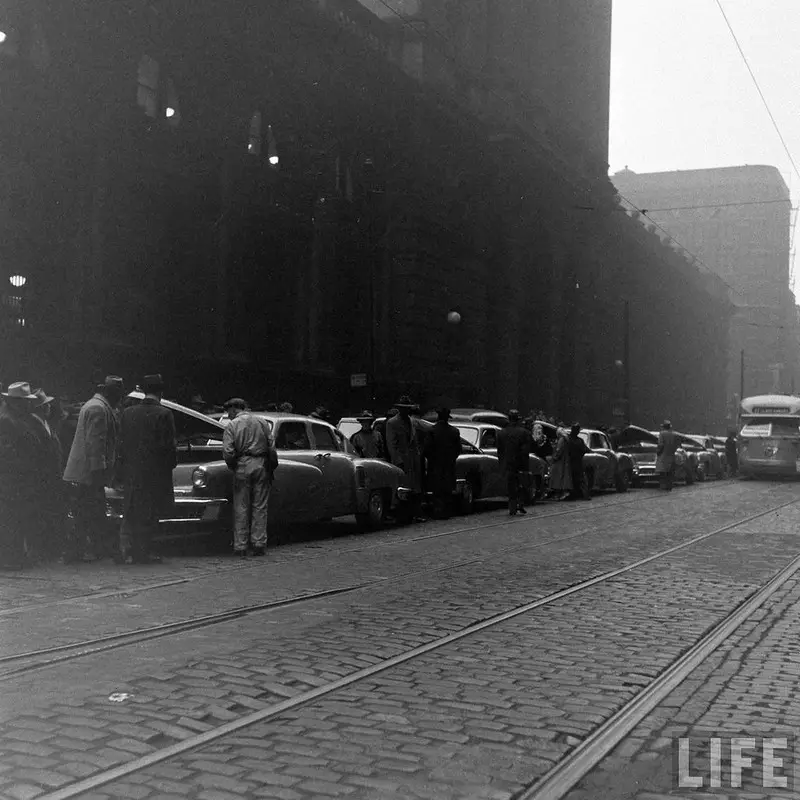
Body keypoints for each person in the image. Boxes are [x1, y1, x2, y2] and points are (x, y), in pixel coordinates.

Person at [63, 375, 124, 561]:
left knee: (87, 511)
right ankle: (86, 550)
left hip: (84, 472)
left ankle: (85, 550)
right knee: (89, 511)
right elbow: (96, 444)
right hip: (89, 473)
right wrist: (99, 472)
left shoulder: (95, 405)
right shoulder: (98, 408)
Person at [117, 374, 177, 563]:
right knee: (150, 512)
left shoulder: (128, 413)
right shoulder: (164, 414)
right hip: (154, 473)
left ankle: (133, 550)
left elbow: (122, 444)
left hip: (132, 471)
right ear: (160, 392)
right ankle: (145, 551)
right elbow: (168, 447)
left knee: (132, 511)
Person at [0, 382, 51, 568]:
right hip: (13, 480)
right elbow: (7, 454)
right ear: (15, 402)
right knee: (11, 519)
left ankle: (16, 555)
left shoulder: (19, 419)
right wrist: (27, 467)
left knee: (18, 518)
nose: (28, 405)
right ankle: (10, 558)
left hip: (21, 479)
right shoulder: (7, 420)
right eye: (24, 401)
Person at [222, 397, 278, 557]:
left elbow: (228, 451)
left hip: (242, 464)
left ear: (234, 409)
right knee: (260, 506)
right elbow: (271, 447)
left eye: (229, 412)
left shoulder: (232, 425)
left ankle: (240, 545)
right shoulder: (261, 422)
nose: (229, 416)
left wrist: (233, 465)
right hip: (261, 463)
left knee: (241, 506)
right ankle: (259, 543)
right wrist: (272, 465)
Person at [32, 388, 67, 560]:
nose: (50, 407)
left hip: (52, 476)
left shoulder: (45, 423)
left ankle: (48, 549)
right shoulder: (35, 424)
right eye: (46, 405)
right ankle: (43, 550)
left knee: (50, 512)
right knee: (44, 513)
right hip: (45, 477)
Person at [386, 395, 426, 522]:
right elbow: (391, 444)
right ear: (399, 409)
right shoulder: (392, 423)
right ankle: (402, 515)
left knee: (414, 488)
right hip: (402, 461)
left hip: (413, 460)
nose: (406, 410)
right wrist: (398, 461)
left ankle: (414, 513)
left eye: (408, 408)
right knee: (402, 488)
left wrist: (418, 456)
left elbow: (415, 440)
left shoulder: (411, 421)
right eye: (403, 408)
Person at [423, 407, 461, 518]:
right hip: (449, 466)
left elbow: (426, 449)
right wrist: (451, 458)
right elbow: (458, 449)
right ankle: (446, 511)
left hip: (435, 465)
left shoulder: (431, 431)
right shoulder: (454, 431)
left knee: (437, 490)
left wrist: (432, 459)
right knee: (447, 489)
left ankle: (438, 511)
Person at [497, 409, 534, 515]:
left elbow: (500, 451)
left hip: (507, 464)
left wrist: (502, 464)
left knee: (511, 486)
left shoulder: (501, 433)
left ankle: (512, 507)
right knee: (521, 485)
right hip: (520, 464)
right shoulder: (524, 433)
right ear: (517, 419)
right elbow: (525, 451)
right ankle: (520, 504)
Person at [567, 423, 591, 500]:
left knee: (572, 480)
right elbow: (585, 449)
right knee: (581, 479)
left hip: (569, 462)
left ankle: (573, 494)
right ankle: (584, 495)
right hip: (577, 462)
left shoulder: (568, 439)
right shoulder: (579, 441)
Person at [548, 427, 573, 500]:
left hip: (560, 461)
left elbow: (559, 450)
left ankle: (558, 493)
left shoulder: (561, 440)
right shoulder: (566, 439)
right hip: (565, 460)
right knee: (563, 476)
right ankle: (563, 492)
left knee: (557, 476)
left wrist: (554, 458)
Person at [656, 419, 679, 491]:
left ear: (664, 427)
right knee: (670, 473)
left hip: (663, 456)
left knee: (662, 473)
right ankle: (669, 487)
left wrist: (658, 452)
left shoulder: (662, 434)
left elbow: (660, 445)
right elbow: (676, 445)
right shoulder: (674, 434)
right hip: (671, 456)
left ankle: (663, 487)